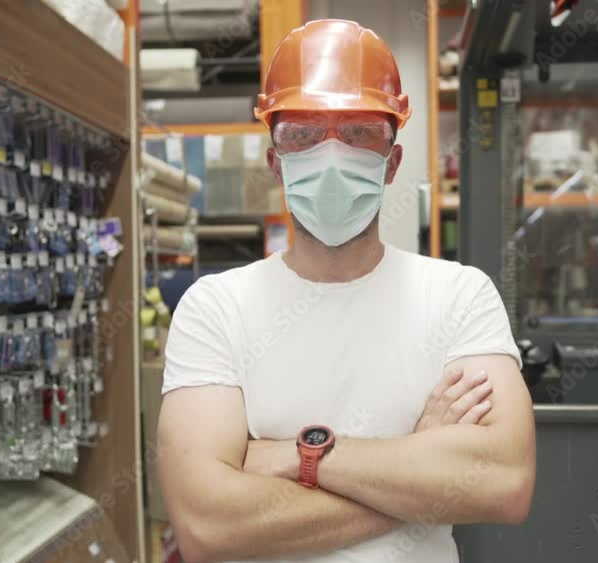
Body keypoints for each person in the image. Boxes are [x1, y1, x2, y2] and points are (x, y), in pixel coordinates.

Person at [158, 19, 536, 563]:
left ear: (392, 163)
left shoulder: (459, 296)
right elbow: (206, 525)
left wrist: (299, 456)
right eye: (303, 133)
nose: (331, 154)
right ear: (275, 163)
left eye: (358, 131)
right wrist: (414, 465)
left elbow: (503, 482)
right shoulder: (215, 308)